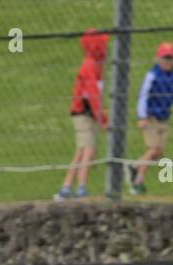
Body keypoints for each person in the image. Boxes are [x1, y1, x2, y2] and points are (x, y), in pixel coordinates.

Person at [54, 30, 108, 201]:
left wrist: (100, 114)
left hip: (88, 112)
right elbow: (92, 94)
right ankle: (81, 188)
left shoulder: (96, 65)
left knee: (81, 151)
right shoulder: (90, 66)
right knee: (88, 149)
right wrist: (102, 117)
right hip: (83, 112)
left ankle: (66, 187)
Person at [131, 42, 173, 195]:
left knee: (159, 153)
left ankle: (135, 166)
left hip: (164, 119)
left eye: (170, 58)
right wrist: (142, 116)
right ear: (158, 58)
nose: (167, 62)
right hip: (151, 117)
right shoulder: (152, 76)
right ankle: (138, 181)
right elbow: (143, 96)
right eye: (164, 58)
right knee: (154, 149)